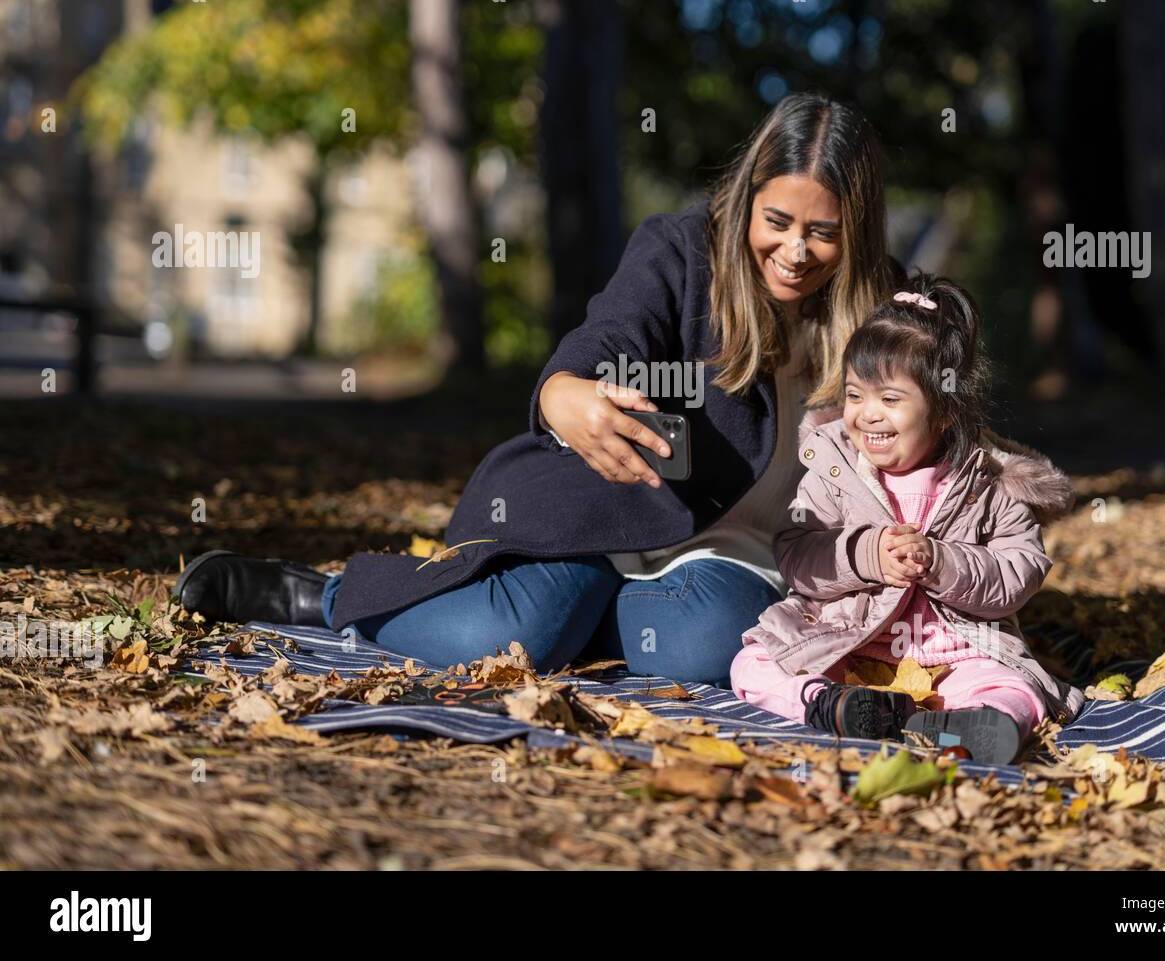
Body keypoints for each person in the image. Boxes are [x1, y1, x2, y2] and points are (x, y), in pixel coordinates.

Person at [175, 92, 906, 687]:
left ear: (859, 232)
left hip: (737, 561)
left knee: (710, 645)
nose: (795, 251)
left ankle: (578, 626)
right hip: (609, 521)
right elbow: (603, 341)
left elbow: (946, 424)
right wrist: (565, 393)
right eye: (776, 221)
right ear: (749, 200)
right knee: (523, 631)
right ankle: (326, 595)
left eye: (825, 232)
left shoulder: (891, 312)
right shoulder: (683, 253)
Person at [730, 274, 1086, 762]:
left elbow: (1018, 571)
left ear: (943, 412)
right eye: (856, 396)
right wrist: (866, 555)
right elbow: (797, 553)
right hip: (849, 643)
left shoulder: (987, 482)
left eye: (890, 400)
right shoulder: (834, 469)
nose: (867, 415)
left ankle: (960, 726)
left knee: (1017, 688)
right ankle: (827, 704)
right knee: (752, 663)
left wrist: (941, 562)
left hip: (957, 653)